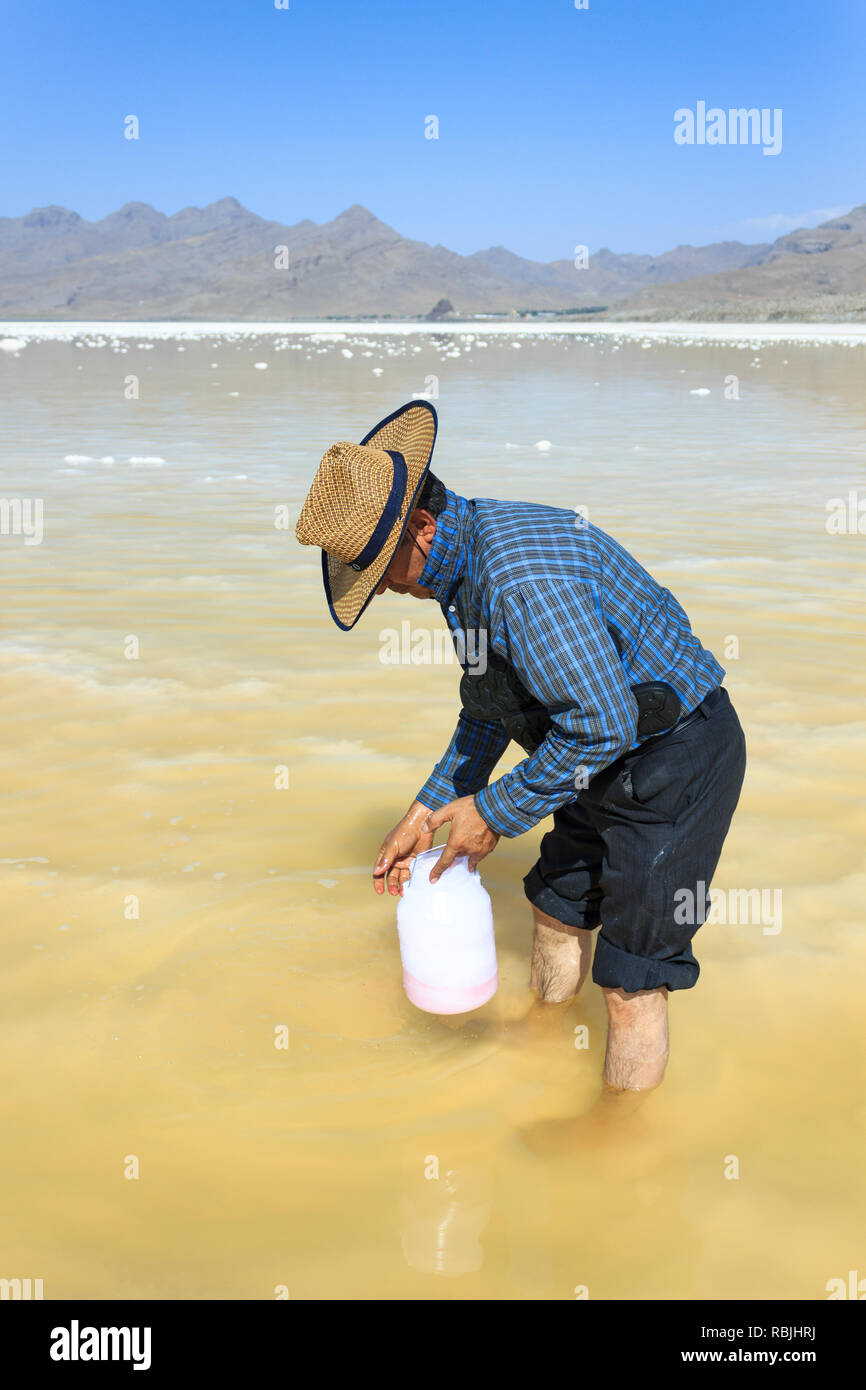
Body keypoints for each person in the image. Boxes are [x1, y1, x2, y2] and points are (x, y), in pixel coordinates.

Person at [295, 400, 747, 1091]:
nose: (383, 587)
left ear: (421, 525)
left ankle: (619, 1139)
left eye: (382, 568)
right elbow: (490, 712)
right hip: (592, 756)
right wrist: (425, 813)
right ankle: (540, 1047)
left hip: (674, 757)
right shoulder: (463, 565)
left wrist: (493, 814)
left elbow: (603, 724)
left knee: (632, 976)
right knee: (556, 900)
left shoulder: (518, 582)